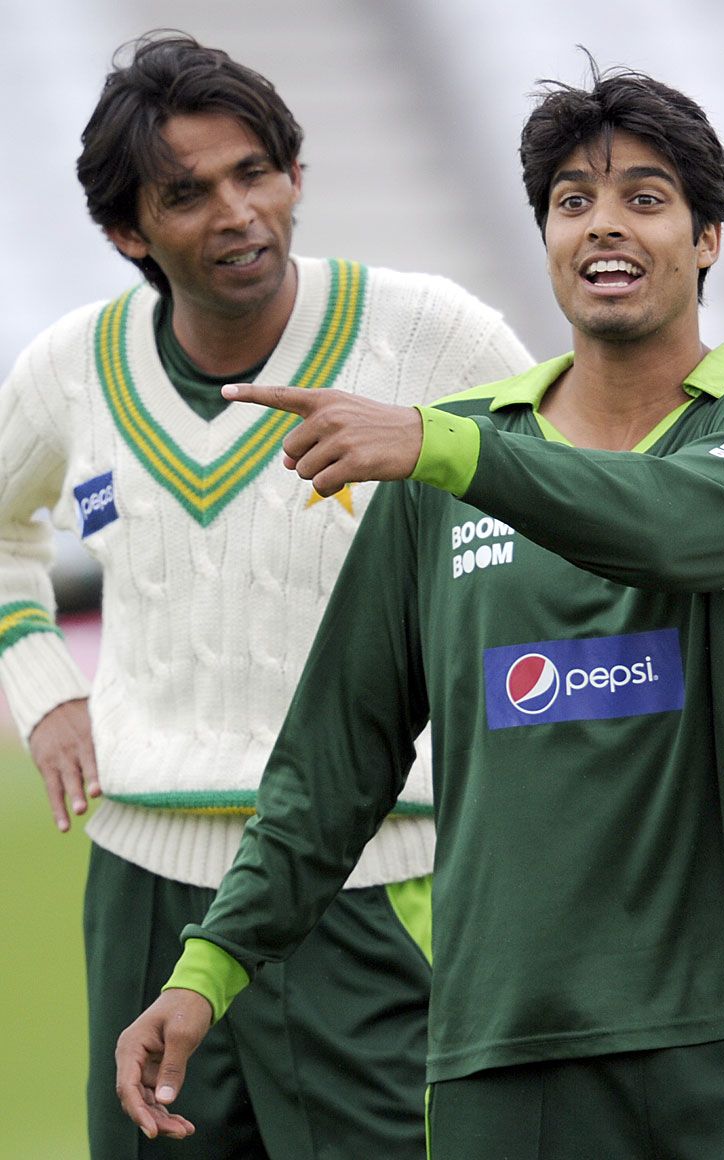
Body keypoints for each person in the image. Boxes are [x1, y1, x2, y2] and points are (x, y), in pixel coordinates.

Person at [115, 61, 724, 1159]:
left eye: (644, 199)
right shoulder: (447, 469)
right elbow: (334, 759)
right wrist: (206, 969)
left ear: (708, 237)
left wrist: (445, 447)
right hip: (507, 1064)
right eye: (573, 201)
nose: (603, 226)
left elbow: (686, 525)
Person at [0, 30, 532, 1160]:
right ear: (125, 231)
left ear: (298, 175)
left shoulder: (431, 332)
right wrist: (42, 682)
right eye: (187, 193)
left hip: (370, 874)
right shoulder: (67, 366)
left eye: (256, 172)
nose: (237, 211)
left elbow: (562, 487)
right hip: (146, 882)